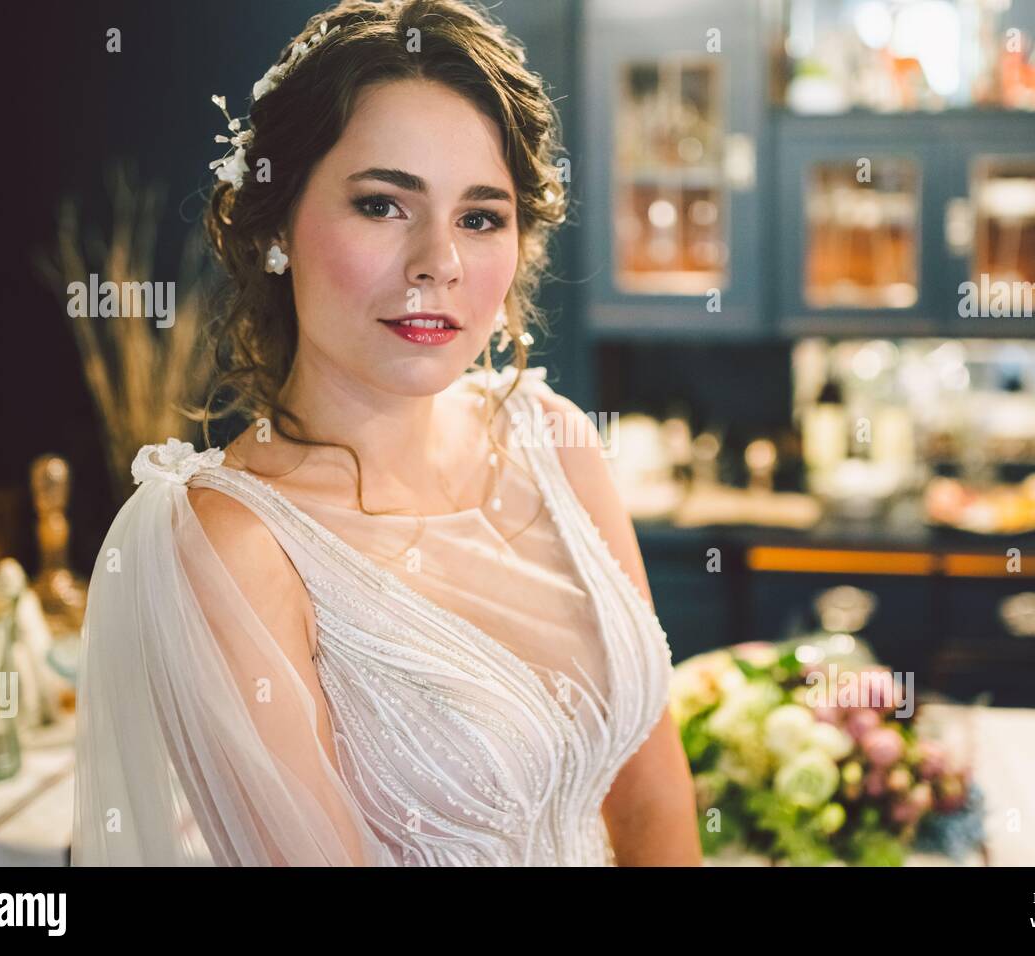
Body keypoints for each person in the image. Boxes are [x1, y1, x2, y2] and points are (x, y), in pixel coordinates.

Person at [72, 0, 700, 866]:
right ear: (276, 224)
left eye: (481, 217)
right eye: (382, 205)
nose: (438, 261)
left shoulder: (553, 437)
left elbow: (652, 794)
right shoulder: (234, 546)